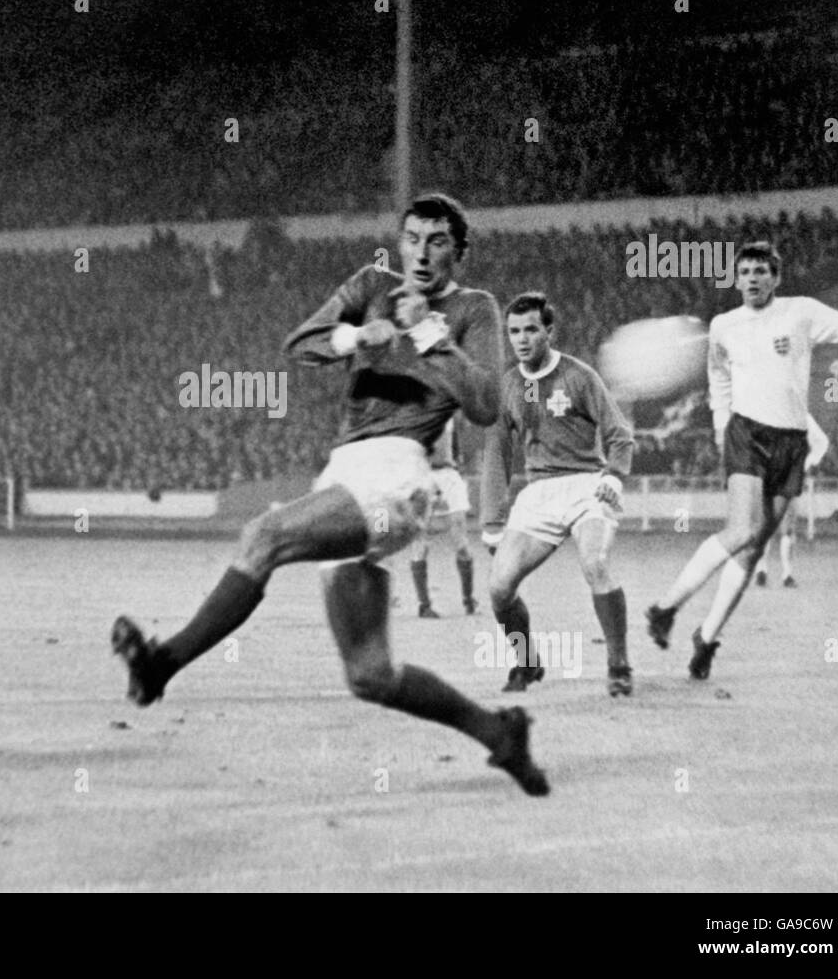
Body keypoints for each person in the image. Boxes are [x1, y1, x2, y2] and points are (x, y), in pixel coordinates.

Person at [111, 193, 549, 796]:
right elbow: (301, 343)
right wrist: (355, 337)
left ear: (459, 250)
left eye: (439, 240)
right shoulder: (372, 283)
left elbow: (486, 405)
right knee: (370, 676)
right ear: (400, 244)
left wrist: (426, 330)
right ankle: (501, 734)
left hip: (399, 477)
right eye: (413, 238)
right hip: (343, 474)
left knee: (264, 536)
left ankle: (160, 665)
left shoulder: (475, 308)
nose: (423, 251)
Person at [645, 242, 838, 679]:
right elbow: (718, 378)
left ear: (776, 278)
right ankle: (664, 608)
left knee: (752, 553)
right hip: (746, 433)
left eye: (761, 271)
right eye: (744, 271)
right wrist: (718, 426)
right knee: (743, 530)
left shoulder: (800, 311)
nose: (752, 278)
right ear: (736, 278)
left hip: (792, 440)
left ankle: (706, 639)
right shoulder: (723, 325)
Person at [480, 292, 637, 697]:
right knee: (499, 588)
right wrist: (492, 522)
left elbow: (619, 436)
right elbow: (497, 453)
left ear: (549, 331)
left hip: (587, 484)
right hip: (539, 492)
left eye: (530, 329)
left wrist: (615, 477)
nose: (521, 338)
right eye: (513, 331)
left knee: (595, 563)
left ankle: (619, 665)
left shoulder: (580, 376)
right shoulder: (507, 386)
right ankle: (527, 662)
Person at [407, 415, 477, 617]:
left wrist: (457, 464)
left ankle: (468, 599)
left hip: (448, 474)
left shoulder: (450, 412)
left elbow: (456, 446)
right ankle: (424, 605)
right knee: (420, 541)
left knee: (461, 542)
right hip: (422, 476)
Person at [754, 415, 828, 588]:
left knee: (787, 529)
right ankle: (761, 570)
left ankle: (787, 574)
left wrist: (806, 464)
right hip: (766, 477)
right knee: (765, 526)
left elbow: (822, 442)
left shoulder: (801, 415)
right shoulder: (761, 411)